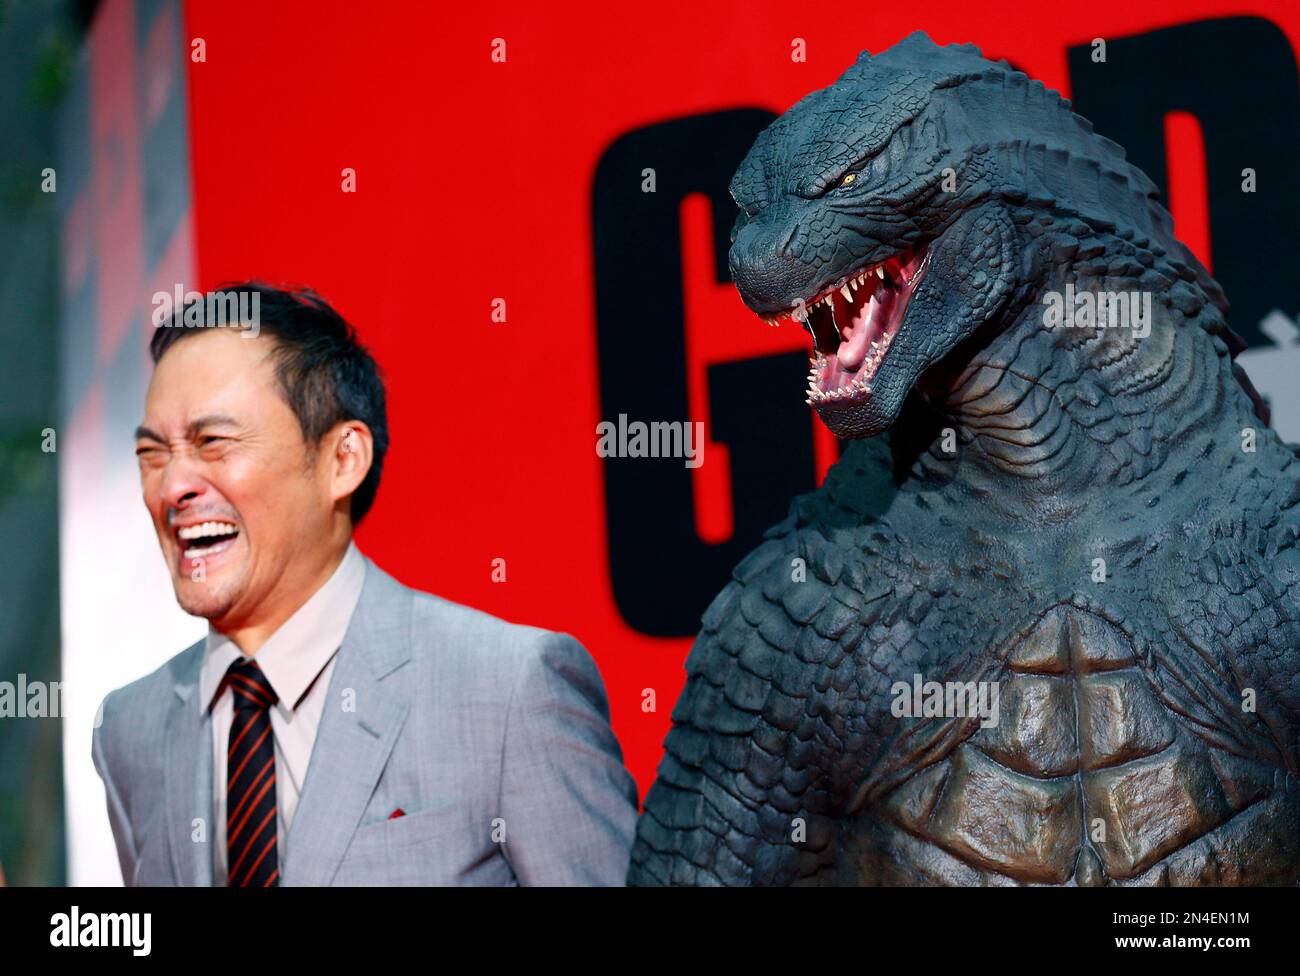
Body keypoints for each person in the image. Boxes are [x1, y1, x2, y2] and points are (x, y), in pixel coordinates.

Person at [92, 283, 637, 885]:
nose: (172, 487)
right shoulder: (129, 728)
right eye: (152, 454)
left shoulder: (509, 690)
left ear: (342, 459)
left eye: (212, 442)